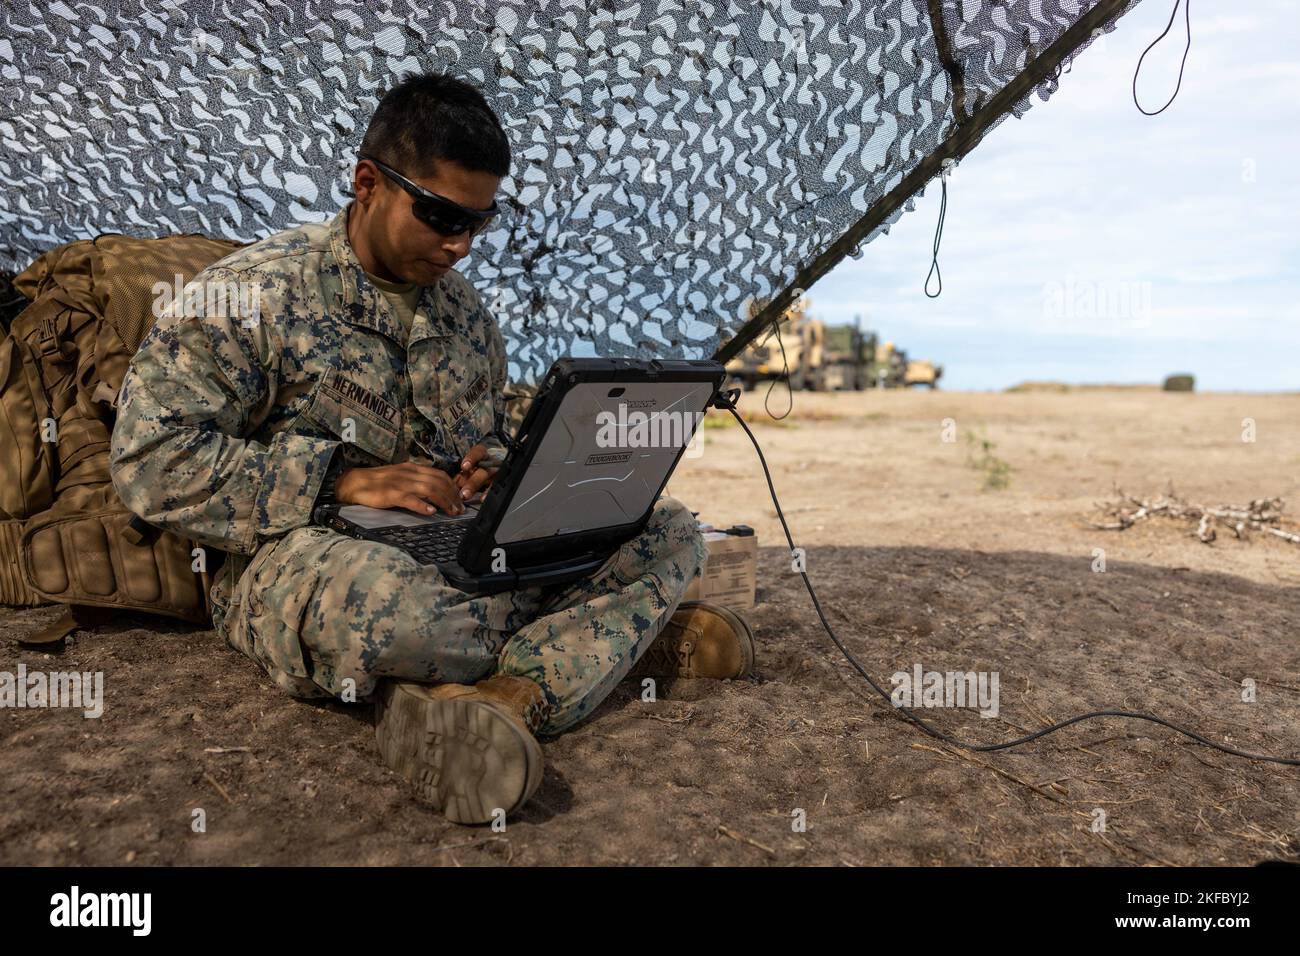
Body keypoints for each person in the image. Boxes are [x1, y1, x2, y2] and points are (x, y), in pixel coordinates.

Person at [109, 72, 755, 824]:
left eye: (478, 224)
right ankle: (609, 640)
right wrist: (337, 484)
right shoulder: (251, 296)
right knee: (393, 611)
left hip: (458, 545)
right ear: (367, 183)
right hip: (310, 556)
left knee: (668, 529)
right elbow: (151, 461)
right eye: (441, 214)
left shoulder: (468, 318)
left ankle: (504, 697)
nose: (459, 245)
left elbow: (478, 438)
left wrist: (499, 468)